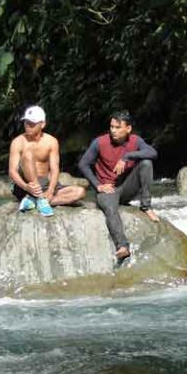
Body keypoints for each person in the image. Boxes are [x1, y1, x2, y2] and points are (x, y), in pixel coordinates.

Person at [78, 110, 160, 261]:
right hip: (107, 189)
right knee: (110, 209)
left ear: (128, 129)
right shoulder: (100, 142)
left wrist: (128, 156)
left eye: (117, 127)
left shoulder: (135, 140)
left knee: (146, 163)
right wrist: (97, 186)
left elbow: (152, 152)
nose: (113, 130)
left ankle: (146, 206)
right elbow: (83, 164)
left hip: (126, 187)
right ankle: (122, 246)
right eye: (111, 127)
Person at [9, 105, 85, 216]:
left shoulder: (51, 141)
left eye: (32, 123)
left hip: (45, 183)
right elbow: (12, 171)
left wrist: (50, 190)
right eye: (26, 122)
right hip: (26, 186)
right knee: (28, 154)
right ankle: (39, 197)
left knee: (80, 192)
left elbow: (55, 169)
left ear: (42, 124)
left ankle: (40, 201)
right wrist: (26, 187)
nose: (28, 126)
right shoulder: (17, 142)